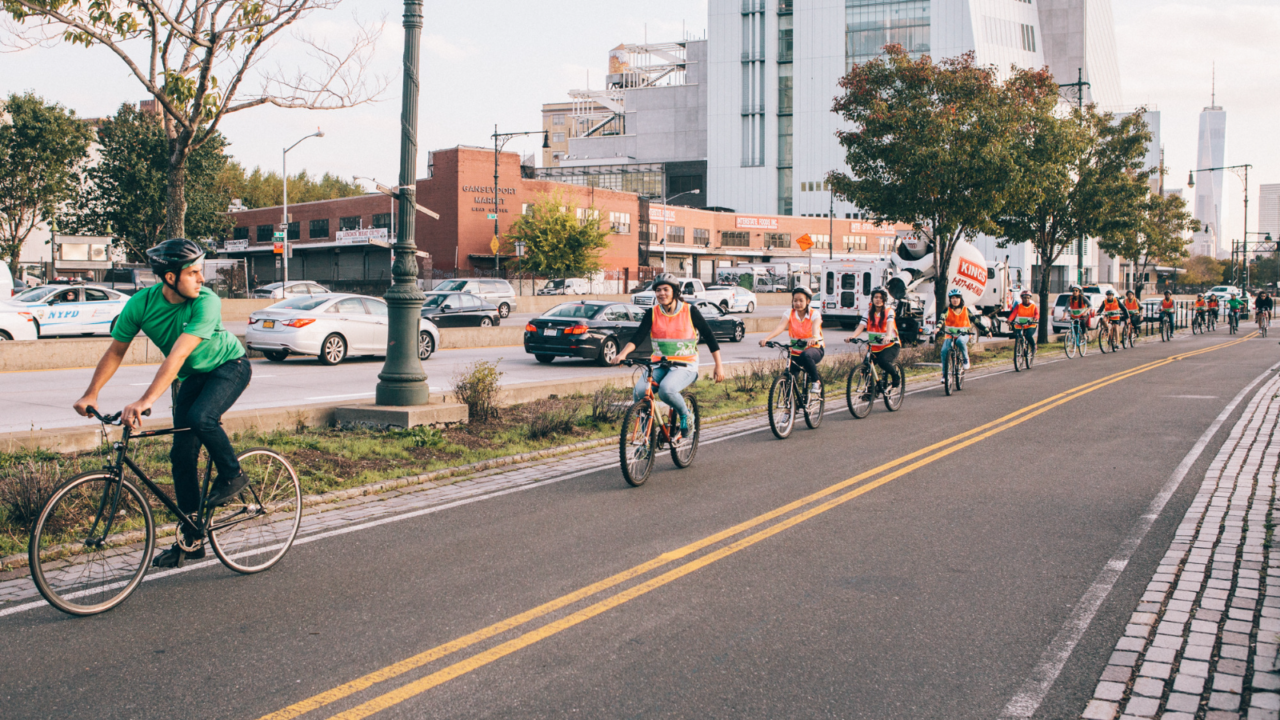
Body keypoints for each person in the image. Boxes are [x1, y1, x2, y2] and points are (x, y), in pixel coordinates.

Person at [73, 238, 251, 569]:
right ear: (170, 277)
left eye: (201, 272)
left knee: (201, 418)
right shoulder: (140, 305)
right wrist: (91, 393)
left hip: (230, 367)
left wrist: (144, 400)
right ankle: (192, 540)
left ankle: (233, 474)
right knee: (181, 457)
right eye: (194, 272)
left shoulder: (206, 302)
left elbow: (178, 353)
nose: (202, 279)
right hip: (193, 378)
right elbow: (116, 351)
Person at [613, 273, 725, 443]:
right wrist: (623, 354)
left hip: (685, 365)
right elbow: (638, 337)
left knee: (667, 390)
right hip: (659, 364)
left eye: (666, 289)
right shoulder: (652, 313)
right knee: (639, 392)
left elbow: (710, 337)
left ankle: (686, 415)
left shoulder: (689, 311)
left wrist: (718, 365)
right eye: (658, 290)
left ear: (674, 292)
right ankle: (648, 438)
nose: (662, 293)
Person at [759, 286, 824, 397]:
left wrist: (814, 337)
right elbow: (780, 327)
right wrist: (767, 338)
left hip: (815, 349)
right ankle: (788, 410)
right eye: (795, 300)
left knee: (806, 356)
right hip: (795, 351)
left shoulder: (814, 314)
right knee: (787, 380)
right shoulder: (789, 313)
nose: (797, 303)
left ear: (808, 301)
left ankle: (815, 382)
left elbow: (816, 325)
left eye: (801, 300)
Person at [844, 287, 902, 388]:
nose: (878, 300)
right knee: (865, 367)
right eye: (875, 297)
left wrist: (888, 335)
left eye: (880, 298)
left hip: (890, 345)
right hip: (875, 347)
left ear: (884, 300)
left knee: (883, 361)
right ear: (872, 299)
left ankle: (895, 376)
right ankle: (870, 390)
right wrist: (852, 336)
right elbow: (861, 326)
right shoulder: (868, 312)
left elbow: (889, 323)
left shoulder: (889, 311)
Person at [938, 288, 973, 381]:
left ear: (960, 299)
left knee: (960, 341)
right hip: (950, 335)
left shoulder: (966, 310)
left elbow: (976, 321)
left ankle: (965, 359)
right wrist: (937, 327)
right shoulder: (947, 310)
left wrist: (986, 330)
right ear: (950, 300)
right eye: (953, 298)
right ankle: (945, 375)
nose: (955, 300)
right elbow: (941, 319)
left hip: (963, 334)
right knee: (944, 351)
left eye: (957, 297)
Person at [1007, 289, 1039, 354]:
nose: (1026, 299)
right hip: (1020, 325)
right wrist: (1009, 320)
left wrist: (1035, 318)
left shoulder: (1033, 306)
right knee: (1018, 336)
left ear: (1030, 298)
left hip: (1030, 325)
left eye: (1028, 298)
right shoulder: (1018, 306)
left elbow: (1037, 314)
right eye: (1024, 298)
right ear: (1021, 298)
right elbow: (1013, 314)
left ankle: (1033, 346)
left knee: (1028, 335)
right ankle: (1018, 351)